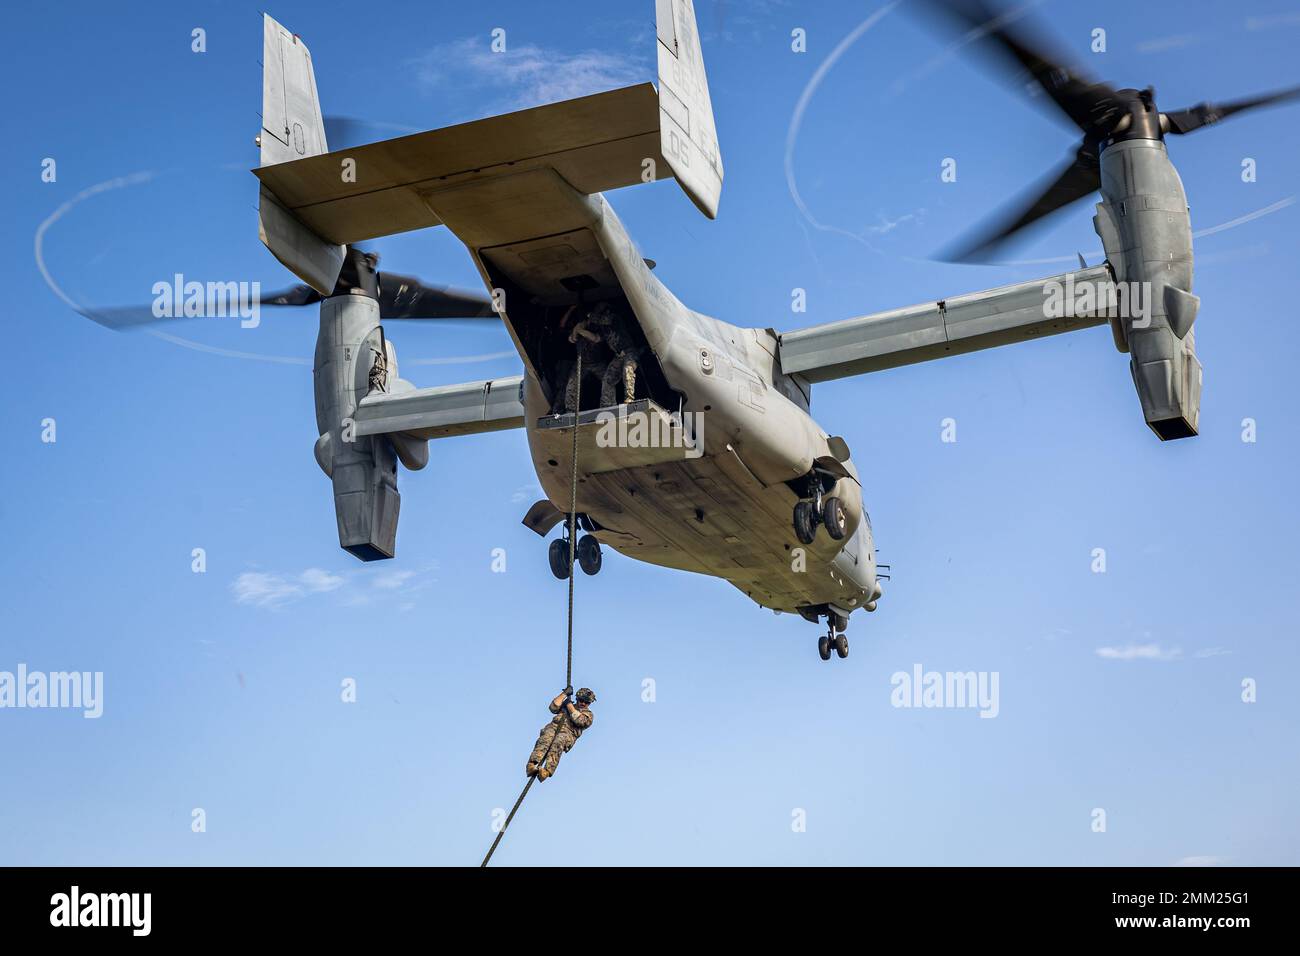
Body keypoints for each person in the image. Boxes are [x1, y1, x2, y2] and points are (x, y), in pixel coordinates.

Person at [526, 686, 596, 781]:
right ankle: (532, 765)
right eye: (581, 700)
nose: (583, 703)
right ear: (577, 699)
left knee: (558, 742)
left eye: (586, 702)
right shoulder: (567, 704)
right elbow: (553, 707)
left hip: (568, 734)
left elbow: (579, 720)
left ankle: (546, 771)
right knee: (545, 740)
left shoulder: (588, 715)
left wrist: (569, 705)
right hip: (553, 727)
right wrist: (564, 695)